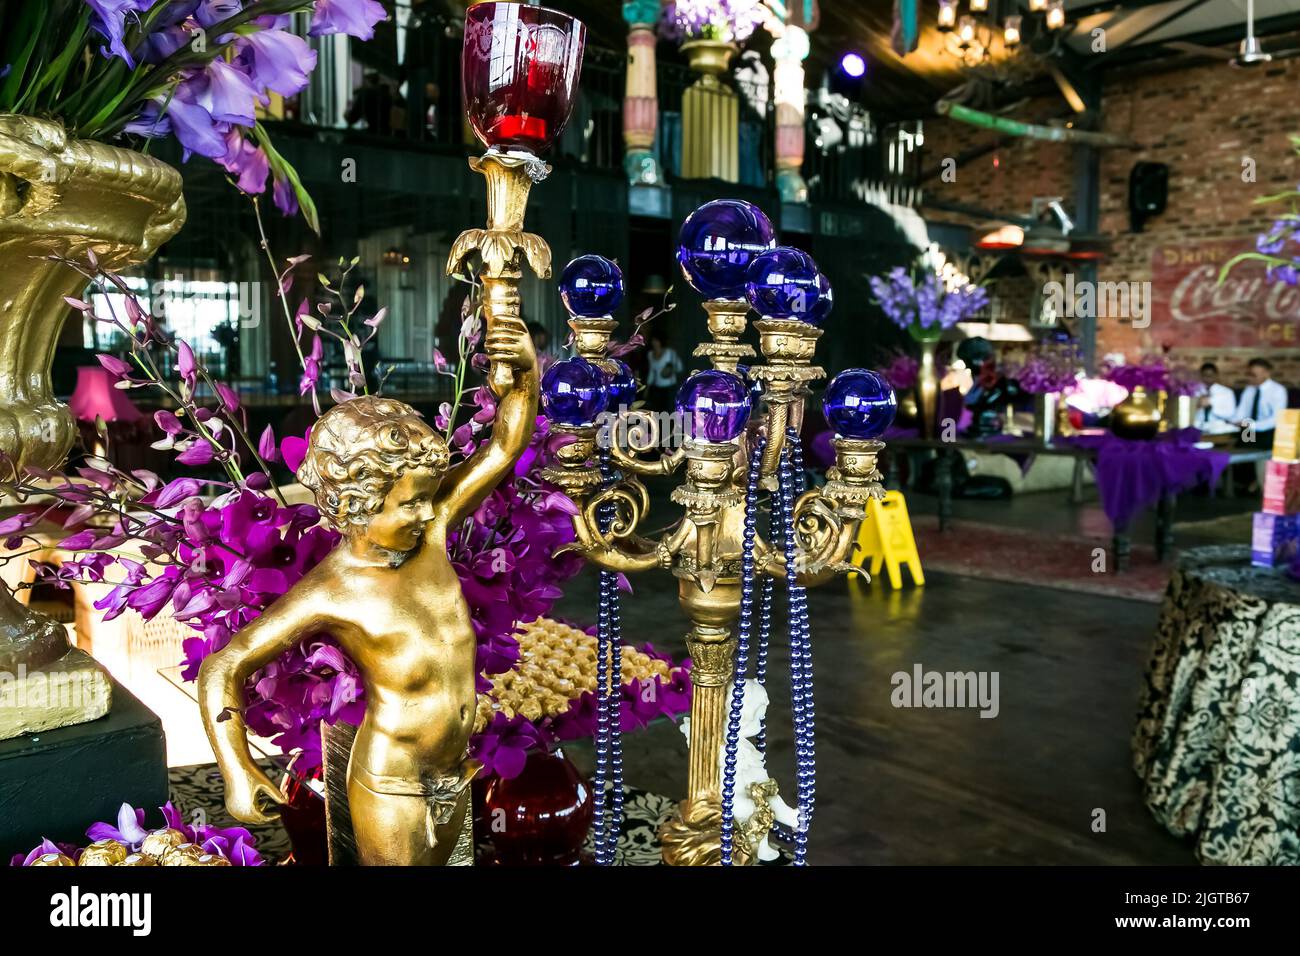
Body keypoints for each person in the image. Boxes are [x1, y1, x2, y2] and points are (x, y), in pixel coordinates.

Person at [199, 322, 538, 865]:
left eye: (429, 498)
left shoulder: (429, 534)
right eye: (409, 504)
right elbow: (224, 665)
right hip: (392, 782)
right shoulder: (331, 591)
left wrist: (525, 372)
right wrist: (238, 769)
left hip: (454, 770)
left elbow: (504, 445)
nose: (430, 513)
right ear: (356, 506)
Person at [1234, 356, 1289, 491]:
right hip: (1249, 428)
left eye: (1255, 375)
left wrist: (1252, 425)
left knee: (1258, 447)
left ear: (1266, 373)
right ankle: (1245, 482)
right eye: (1250, 374)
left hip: (1268, 430)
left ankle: (1257, 484)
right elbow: (1241, 413)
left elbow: (1276, 419)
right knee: (1240, 448)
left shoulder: (1278, 391)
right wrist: (1235, 421)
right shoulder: (1249, 390)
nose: (1252, 378)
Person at [1194, 361, 1237, 434]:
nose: (1207, 378)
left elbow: (1230, 414)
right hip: (1197, 425)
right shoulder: (1194, 391)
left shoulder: (1226, 392)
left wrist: (1211, 406)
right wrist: (1197, 405)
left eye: (1211, 375)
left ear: (1216, 375)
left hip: (1218, 427)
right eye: (1205, 375)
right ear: (1200, 375)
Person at [646, 332, 683, 412]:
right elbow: (651, 372)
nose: (654, 343)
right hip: (657, 388)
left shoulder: (670, 353)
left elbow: (679, 367)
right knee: (657, 412)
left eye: (656, 341)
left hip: (670, 388)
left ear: (661, 341)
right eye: (653, 341)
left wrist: (670, 370)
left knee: (669, 411)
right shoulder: (650, 354)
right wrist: (647, 389)